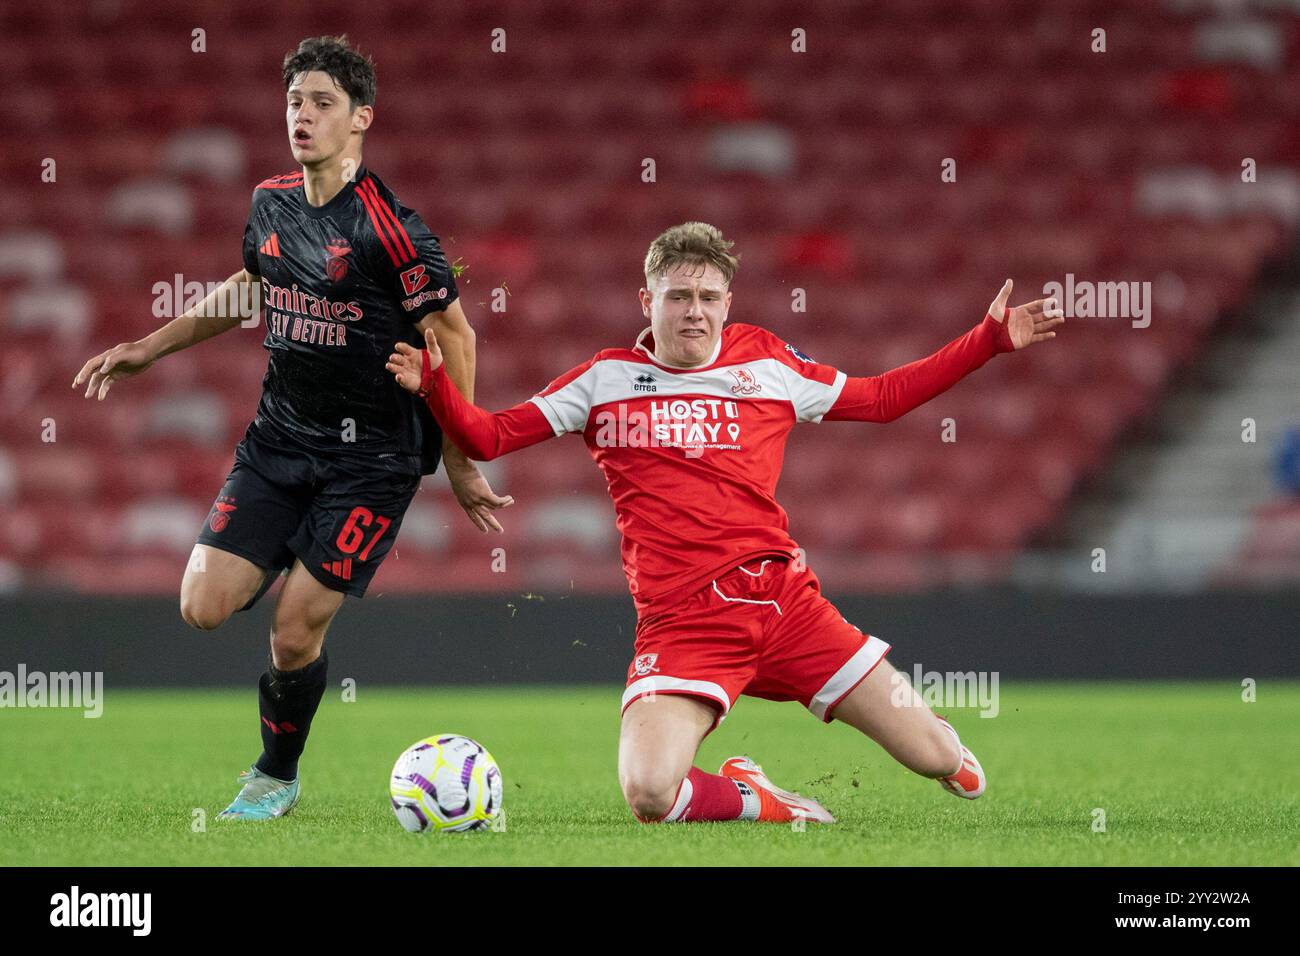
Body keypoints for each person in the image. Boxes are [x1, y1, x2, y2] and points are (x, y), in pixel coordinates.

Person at [387, 221, 1064, 823]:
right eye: (678, 297)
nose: (695, 312)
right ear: (647, 303)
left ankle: (937, 740)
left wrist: (988, 341)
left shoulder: (766, 364)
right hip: (683, 624)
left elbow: (881, 399)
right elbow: (489, 437)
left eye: (709, 298)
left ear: (728, 304)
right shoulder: (605, 380)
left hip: (785, 608)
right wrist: (437, 388)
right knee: (650, 794)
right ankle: (758, 798)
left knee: (942, 763)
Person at [71, 36, 513, 820]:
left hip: (373, 460)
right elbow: (252, 284)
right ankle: (282, 556)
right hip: (279, 442)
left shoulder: (391, 230)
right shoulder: (270, 200)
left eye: (321, 104)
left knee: (293, 631)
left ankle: (275, 774)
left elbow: (458, 335)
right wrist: (147, 348)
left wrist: (462, 457)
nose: (302, 117)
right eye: (294, 102)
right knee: (202, 605)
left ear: (361, 120)